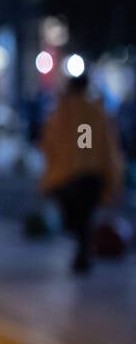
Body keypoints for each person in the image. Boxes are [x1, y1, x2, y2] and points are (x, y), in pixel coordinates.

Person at [39, 74, 126, 273]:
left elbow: (51, 141)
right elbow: (105, 144)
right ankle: (83, 253)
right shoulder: (94, 111)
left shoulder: (66, 111)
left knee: (78, 217)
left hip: (70, 175)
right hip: (91, 174)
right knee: (84, 216)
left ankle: (82, 254)